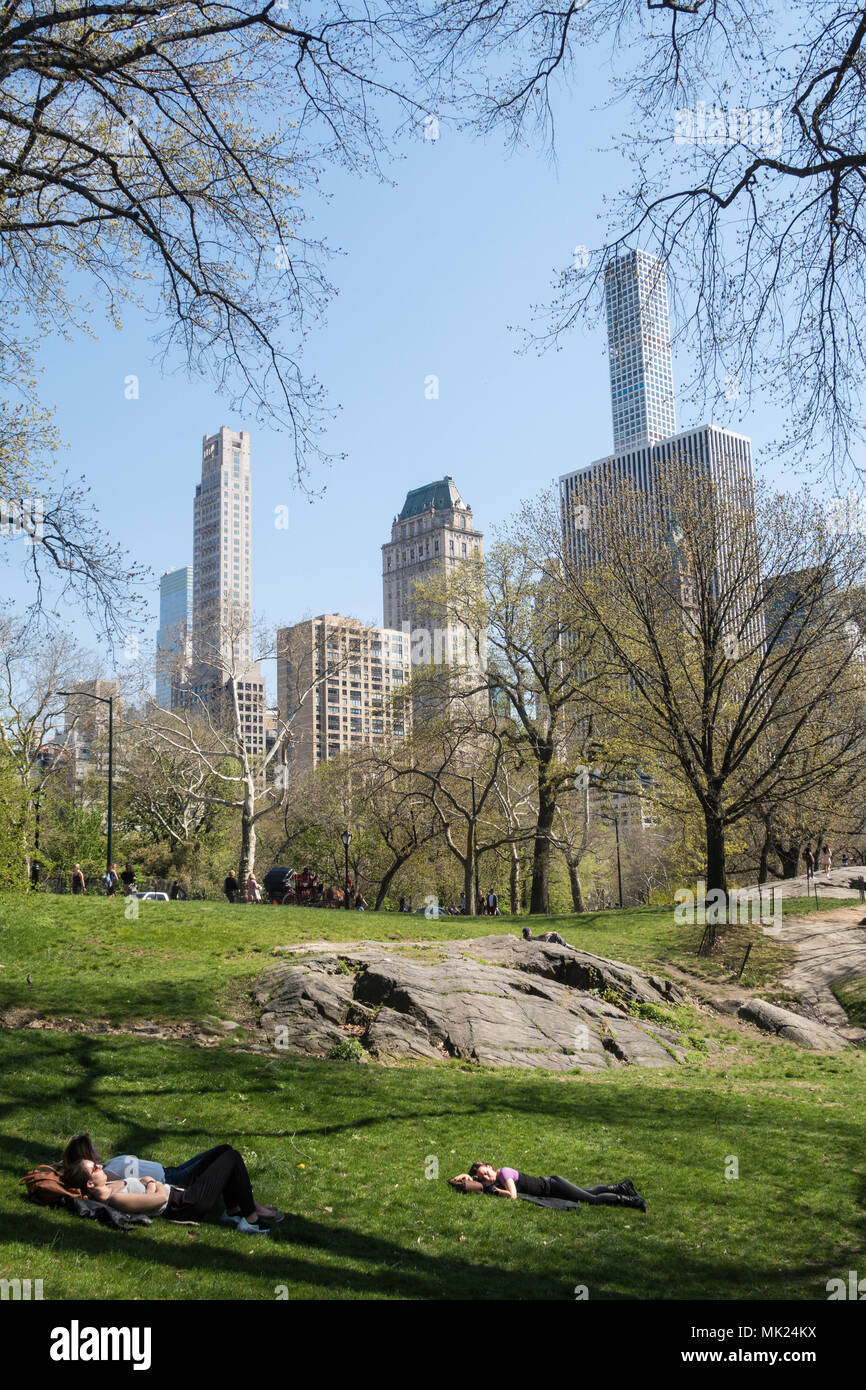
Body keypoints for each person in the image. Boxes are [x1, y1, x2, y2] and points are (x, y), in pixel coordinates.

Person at [62, 1135, 282, 1223]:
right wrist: (152, 1184)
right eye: (93, 1150)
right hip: (176, 1181)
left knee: (225, 1150)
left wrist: (151, 1183)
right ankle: (250, 1210)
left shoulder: (109, 1174)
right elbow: (150, 1199)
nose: (97, 1150)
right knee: (228, 1157)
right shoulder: (111, 1177)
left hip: (170, 1175)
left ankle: (236, 1208)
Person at [450, 1162, 646, 1211]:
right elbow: (469, 1180)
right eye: (482, 1176)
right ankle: (622, 1187)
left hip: (553, 1185)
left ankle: (631, 1200)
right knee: (589, 1192)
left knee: (592, 1200)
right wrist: (466, 1176)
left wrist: (496, 1191)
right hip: (552, 1186)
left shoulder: (504, 1173)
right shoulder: (493, 1180)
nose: (485, 1175)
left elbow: (513, 1196)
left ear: (490, 1166)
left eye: (485, 1171)